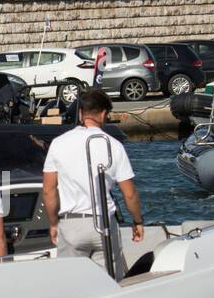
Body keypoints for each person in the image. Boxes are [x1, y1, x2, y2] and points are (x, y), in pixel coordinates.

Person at [42, 88, 143, 280]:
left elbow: (48, 190)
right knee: (109, 284)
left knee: (71, 285)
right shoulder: (114, 145)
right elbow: (129, 194)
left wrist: (54, 223)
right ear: (104, 114)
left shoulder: (58, 143)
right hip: (103, 223)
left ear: (80, 113)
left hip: (70, 223)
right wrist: (137, 221)